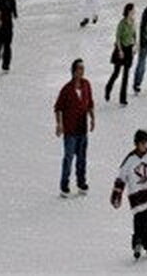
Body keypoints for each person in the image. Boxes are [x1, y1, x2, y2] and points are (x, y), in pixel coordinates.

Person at [111, 128, 147, 260]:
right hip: (136, 196)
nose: (146, 146)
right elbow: (121, 178)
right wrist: (117, 194)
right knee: (138, 221)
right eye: (143, 143)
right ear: (137, 143)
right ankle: (138, 243)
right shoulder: (130, 160)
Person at [56, 57, 96, 194]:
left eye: (83, 68)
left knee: (82, 157)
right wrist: (59, 124)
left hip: (82, 128)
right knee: (68, 157)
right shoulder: (66, 89)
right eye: (79, 68)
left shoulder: (86, 85)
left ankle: (81, 182)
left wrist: (92, 118)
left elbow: (90, 103)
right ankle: (64, 184)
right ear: (73, 71)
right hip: (70, 130)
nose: (82, 71)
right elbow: (58, 107)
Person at [107, 3, 138, 105]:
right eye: (133, 10)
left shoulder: (133, 22)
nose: (134, 11)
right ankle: (108, 87)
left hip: (129, 50)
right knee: (116, 73)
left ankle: (122, 98)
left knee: (126, 75)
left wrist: (135, 46)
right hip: (121, 49)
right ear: (129, 11)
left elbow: (134, 35)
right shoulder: (122, 23)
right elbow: (118, 38)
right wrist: (120, 51)